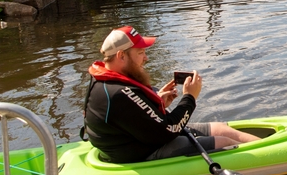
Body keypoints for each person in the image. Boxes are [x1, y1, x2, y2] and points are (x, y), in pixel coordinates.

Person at [83, 26, 259, 164]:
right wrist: (189, 98)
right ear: (121, 56)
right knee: (224, 142)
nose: (146, 58)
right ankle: (272, 158)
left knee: (220, 128)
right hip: (142, 153)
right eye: (140, 53)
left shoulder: (106, 80)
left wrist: (156, 102)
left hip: (146, 139)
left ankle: (271, 146)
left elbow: (132, 116)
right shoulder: (118, 93)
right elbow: (169, 130)